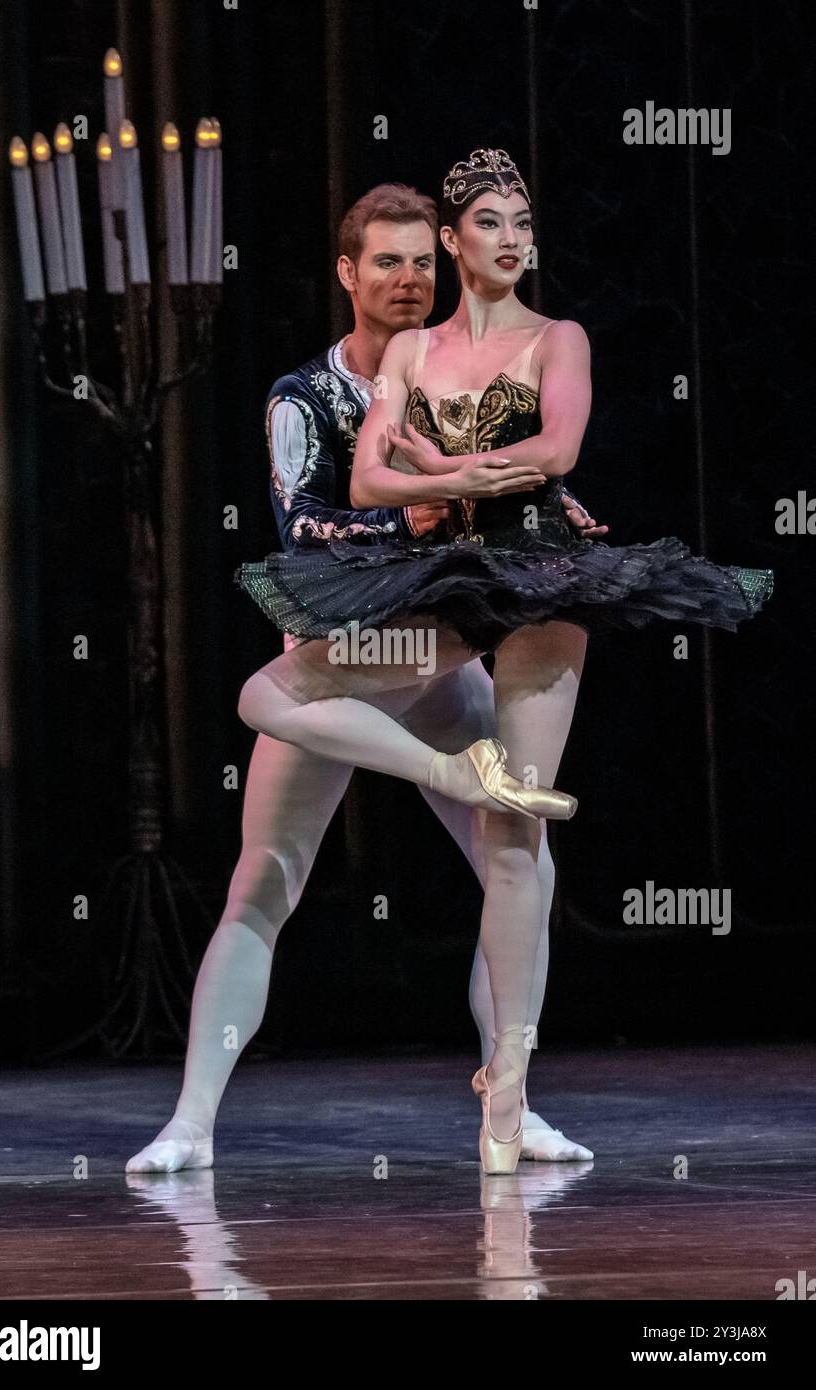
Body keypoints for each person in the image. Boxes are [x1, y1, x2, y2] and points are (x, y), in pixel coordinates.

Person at [236, 150, 774, 1174]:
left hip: (547, 577)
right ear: (453, 239)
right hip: (451, 574)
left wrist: (463, 470)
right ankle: (444, 766)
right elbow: (365, 472)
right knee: (267, 691)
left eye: (523, 221)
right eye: (490, 222)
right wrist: (451, 473)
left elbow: (560, 452)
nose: (513, 239)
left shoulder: (555, 335)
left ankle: (508, 1098)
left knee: (520, 829)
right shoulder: (408, 355)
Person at [126, 182, 603, 1174]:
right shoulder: (303, 399)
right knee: (264, 882)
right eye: (385, 263)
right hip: (350, 653)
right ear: (348, 274)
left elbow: (522, 482)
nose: (408, 281)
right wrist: (424, 513)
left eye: (422, 262)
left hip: (438, 655)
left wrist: (550, 511)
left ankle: (509, 1106)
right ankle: (192, 1121)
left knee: (524, 864)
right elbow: (305, 528)